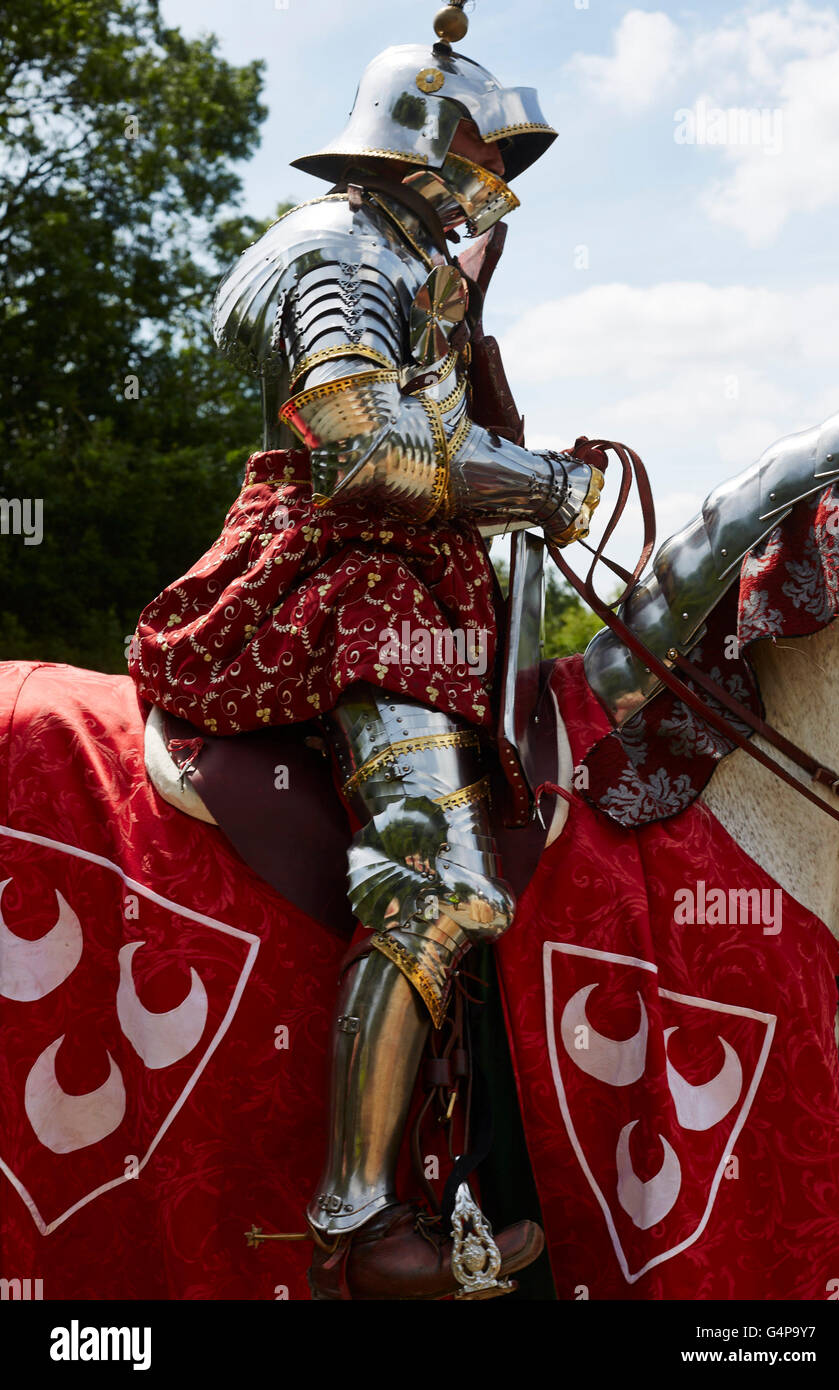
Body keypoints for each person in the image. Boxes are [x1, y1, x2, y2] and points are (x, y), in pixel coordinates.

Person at [131, 2, 604, 1299]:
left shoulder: (414, 261)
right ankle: (359, 1227)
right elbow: (370, 455)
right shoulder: (343, 251)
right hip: (344, 575)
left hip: (421, 580)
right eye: (482, 157)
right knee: (436, 876)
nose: (494, 189)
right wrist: (539, 484)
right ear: (421, 140)